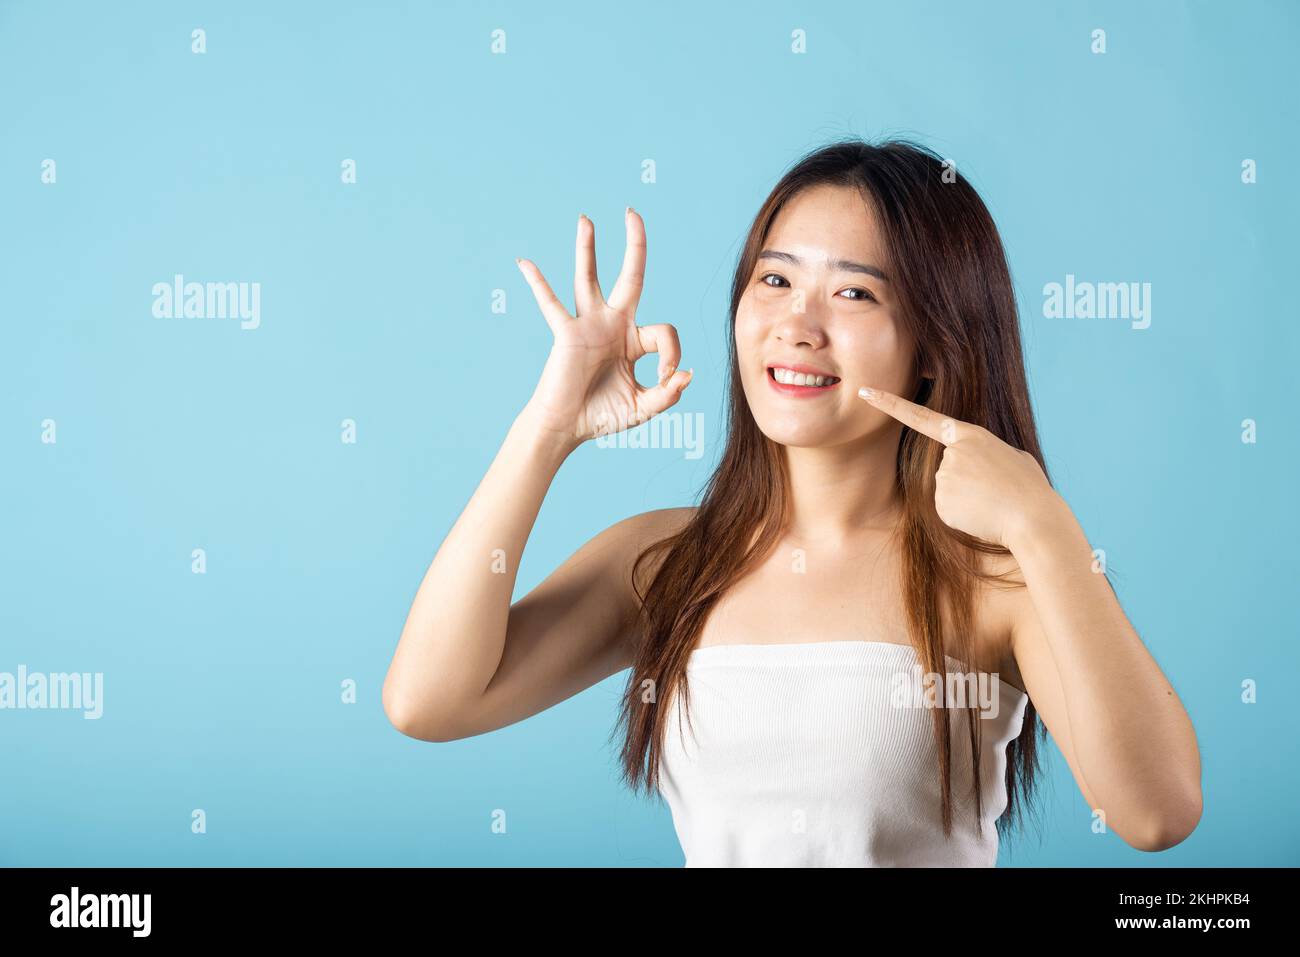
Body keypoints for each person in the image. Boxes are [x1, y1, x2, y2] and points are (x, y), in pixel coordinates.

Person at [382, 138, 1202, 866]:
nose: (796, 325)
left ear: (934, 344)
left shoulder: (994, 578)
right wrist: (547, 427)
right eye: (774, 279)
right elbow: (428, 700)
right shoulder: (664, 564)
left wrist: (1044, 526)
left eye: (855, 295)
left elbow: (1157, 812)